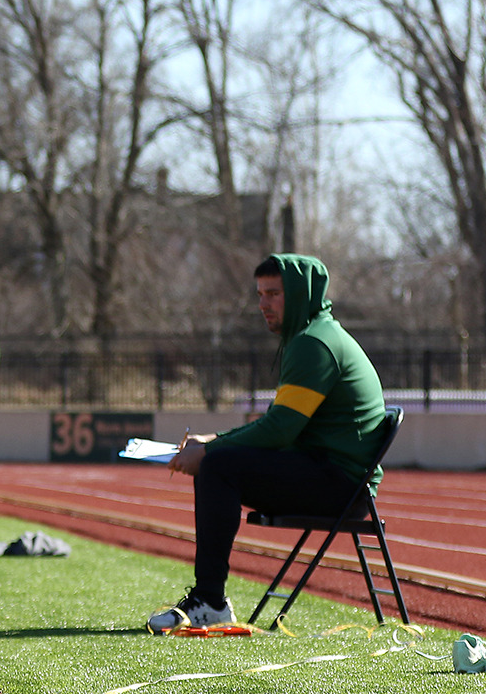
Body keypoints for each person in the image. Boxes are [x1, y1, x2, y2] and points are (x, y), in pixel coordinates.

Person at [152, 254, 387, 631]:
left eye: (274, 294)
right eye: (260, 294)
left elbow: (280, 431)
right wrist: (214, 441)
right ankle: (209, 597)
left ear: (300, 295)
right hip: (335, 477)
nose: (263, 304)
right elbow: (280, 427)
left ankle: (210, 600)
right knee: (219, 461)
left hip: (339, 486)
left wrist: (210, 450)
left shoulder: (315, 343)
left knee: (219, 467)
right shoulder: (314, 335)